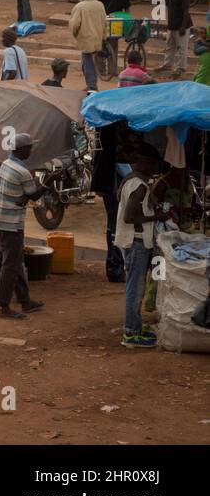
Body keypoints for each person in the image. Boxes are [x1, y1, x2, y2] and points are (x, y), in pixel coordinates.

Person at [0, 133, 47, 320]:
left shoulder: (6, 164)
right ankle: (3, 305)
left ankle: (25, 300)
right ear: (22, 150)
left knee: (15, 262)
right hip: (12, 223)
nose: (31, 150)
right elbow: (34, 195)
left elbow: (24, 195)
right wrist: (47, 183)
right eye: (29, 148)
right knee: (11, 264)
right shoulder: (22, 172)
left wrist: (24, 198)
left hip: (1, 220)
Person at [116, 146, 163, 348]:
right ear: (145, 163)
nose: (155, 169)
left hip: (132, 241)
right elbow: (129, 217)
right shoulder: (140, 186)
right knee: (135, 289)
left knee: (135, 287)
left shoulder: (130, 181)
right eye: (153, 165)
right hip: (136, 242)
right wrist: (155, 216)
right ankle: (130, 332)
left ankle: (134, 326)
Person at [69, 0, 107, 91]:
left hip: (86, 38)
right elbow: (105, 22)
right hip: (97, 37)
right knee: (87, 62)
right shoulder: (100, 5)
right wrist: (103, 36)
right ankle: (90, 83)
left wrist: (76, 34)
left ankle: (92, 86)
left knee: (88, 62)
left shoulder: (79, 7)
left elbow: (75, 25)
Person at [159, 0, 192, 76]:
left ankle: (181, 68)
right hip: (172, 25)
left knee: (182, 48)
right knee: (170, 46)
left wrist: (182, 26)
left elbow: (186, 11)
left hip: (181, 26)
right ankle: (167, 64)